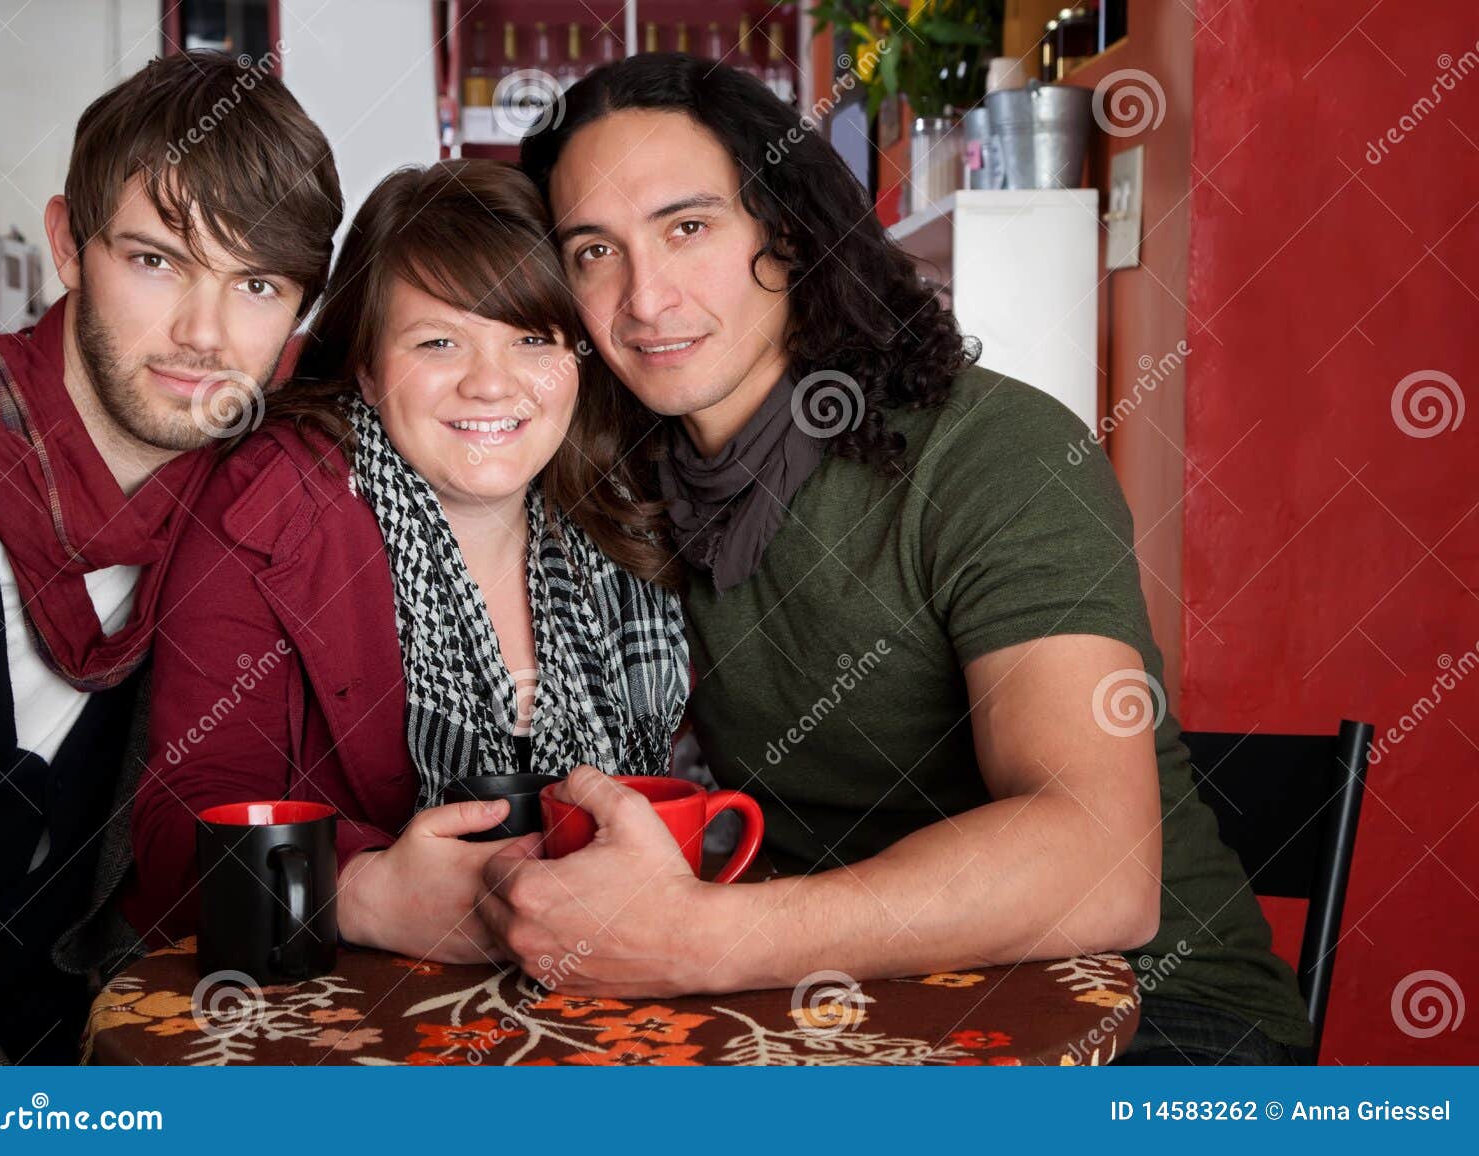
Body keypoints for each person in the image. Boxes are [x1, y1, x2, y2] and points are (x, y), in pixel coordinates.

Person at [477, 53, 1315, 1065]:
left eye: (687, 227)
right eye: (594, 251)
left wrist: (698, 937)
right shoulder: (618, 485)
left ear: (786, 234)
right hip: (842, 1010)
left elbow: (1101, 862)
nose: (645, 297)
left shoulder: (990, 451)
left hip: (1154, 1019)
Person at [0, 52, 341, 1065]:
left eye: (255, 283)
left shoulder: (256, 508)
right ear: (69, 246)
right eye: (157, 260)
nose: (203, 332)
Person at [123, 160, 690, 966]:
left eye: (532, 339)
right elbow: (179, 824)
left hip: (604, 989)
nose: (492, 384)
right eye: (438, 341)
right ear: (366, 367)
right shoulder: (272, 506)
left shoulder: (625, 510)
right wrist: (357, 892)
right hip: (350, 1022)